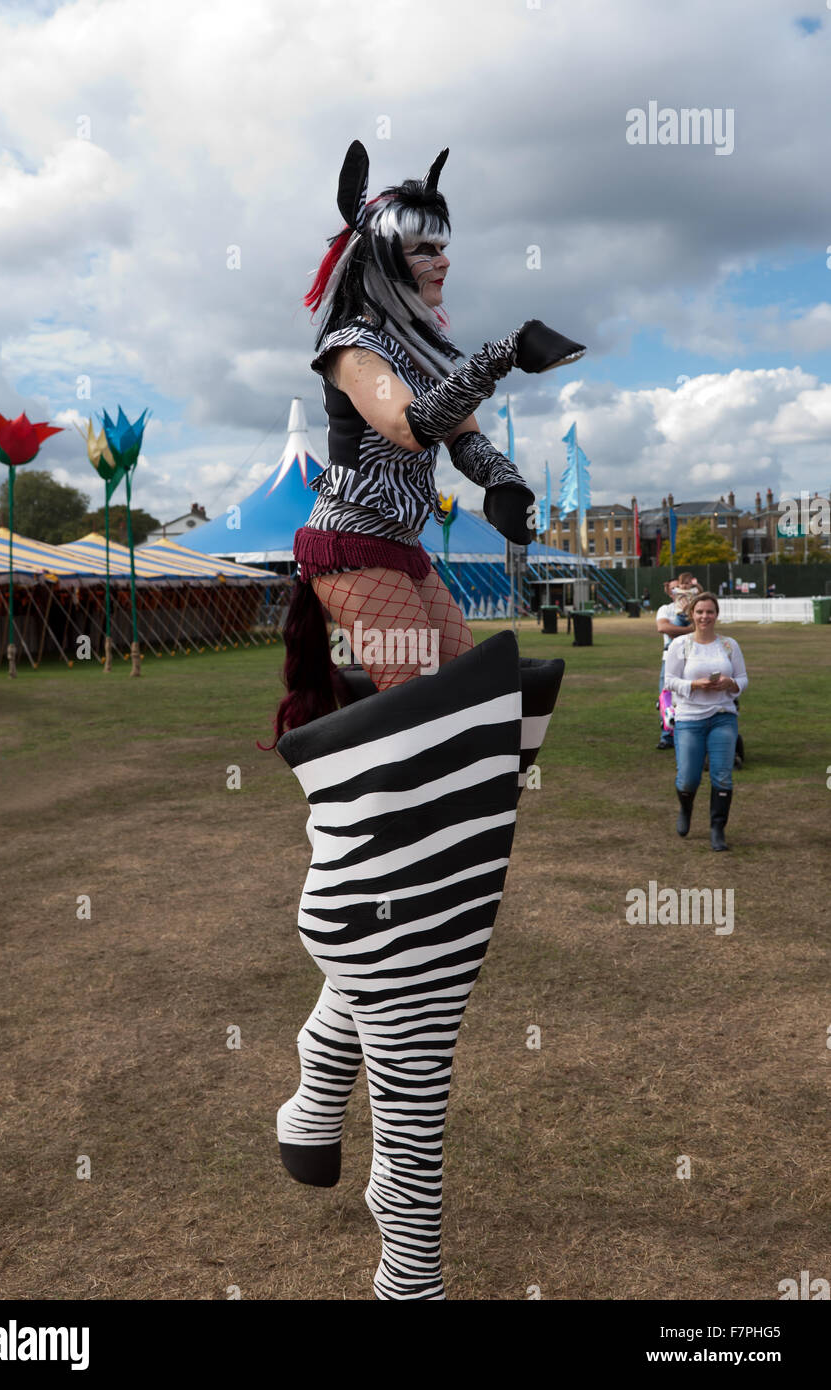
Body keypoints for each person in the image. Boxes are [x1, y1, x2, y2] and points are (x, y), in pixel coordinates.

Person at [263, 138, 584, 1300]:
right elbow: (406, 428)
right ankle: (364, 980)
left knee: (484, 733)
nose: (442, 258)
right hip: (353, 555)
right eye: (423, 244)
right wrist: (500, 355)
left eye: (447, 242)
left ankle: (318, 1070)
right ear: (380, 254)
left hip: (408, 558)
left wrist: (500, 480)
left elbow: (458, 436)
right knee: (428, 756)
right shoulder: (354, 346)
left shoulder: (418, 344)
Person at [664, 590, 748, 849]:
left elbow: (743, 679)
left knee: (722, 776)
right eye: (700, 612)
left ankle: (717, 829)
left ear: (716, 614)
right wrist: (694, 685)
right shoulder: (680, 644)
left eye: (710, 612)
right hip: (689, 718)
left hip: (723, 717)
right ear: (692, 614)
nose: (704, 616)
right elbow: (669, 681)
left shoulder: (729, 645)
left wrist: (730, 683)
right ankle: (686, 808)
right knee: (688, 778)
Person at [654, 578, 695, 748]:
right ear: (669, 592)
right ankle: (667, 736)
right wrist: (690, 630)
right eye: (673, 589)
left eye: (680, 587)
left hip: (692, 657)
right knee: (667, 696)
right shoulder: (665, 609)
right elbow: (663, 628)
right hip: (670, 657)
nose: (678, 591)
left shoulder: (695, 608)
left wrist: (677, 632)